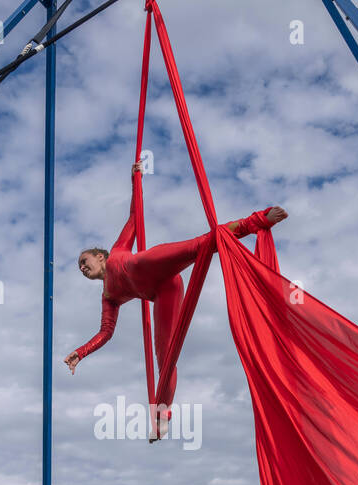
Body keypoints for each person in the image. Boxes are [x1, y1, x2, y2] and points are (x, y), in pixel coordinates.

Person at [64, 159, 288, 439]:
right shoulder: (109, 297)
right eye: (80, 269)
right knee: (166, 358)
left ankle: (255, 221)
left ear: (100, 256)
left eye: (84, 261)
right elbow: (106, 333)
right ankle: (163, 415)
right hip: (164, 293)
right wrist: (80, 353)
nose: (83, 268)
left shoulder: (118, 249)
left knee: (200, 245)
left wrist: (136, 180)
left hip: (152, 265)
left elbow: (135, 217)